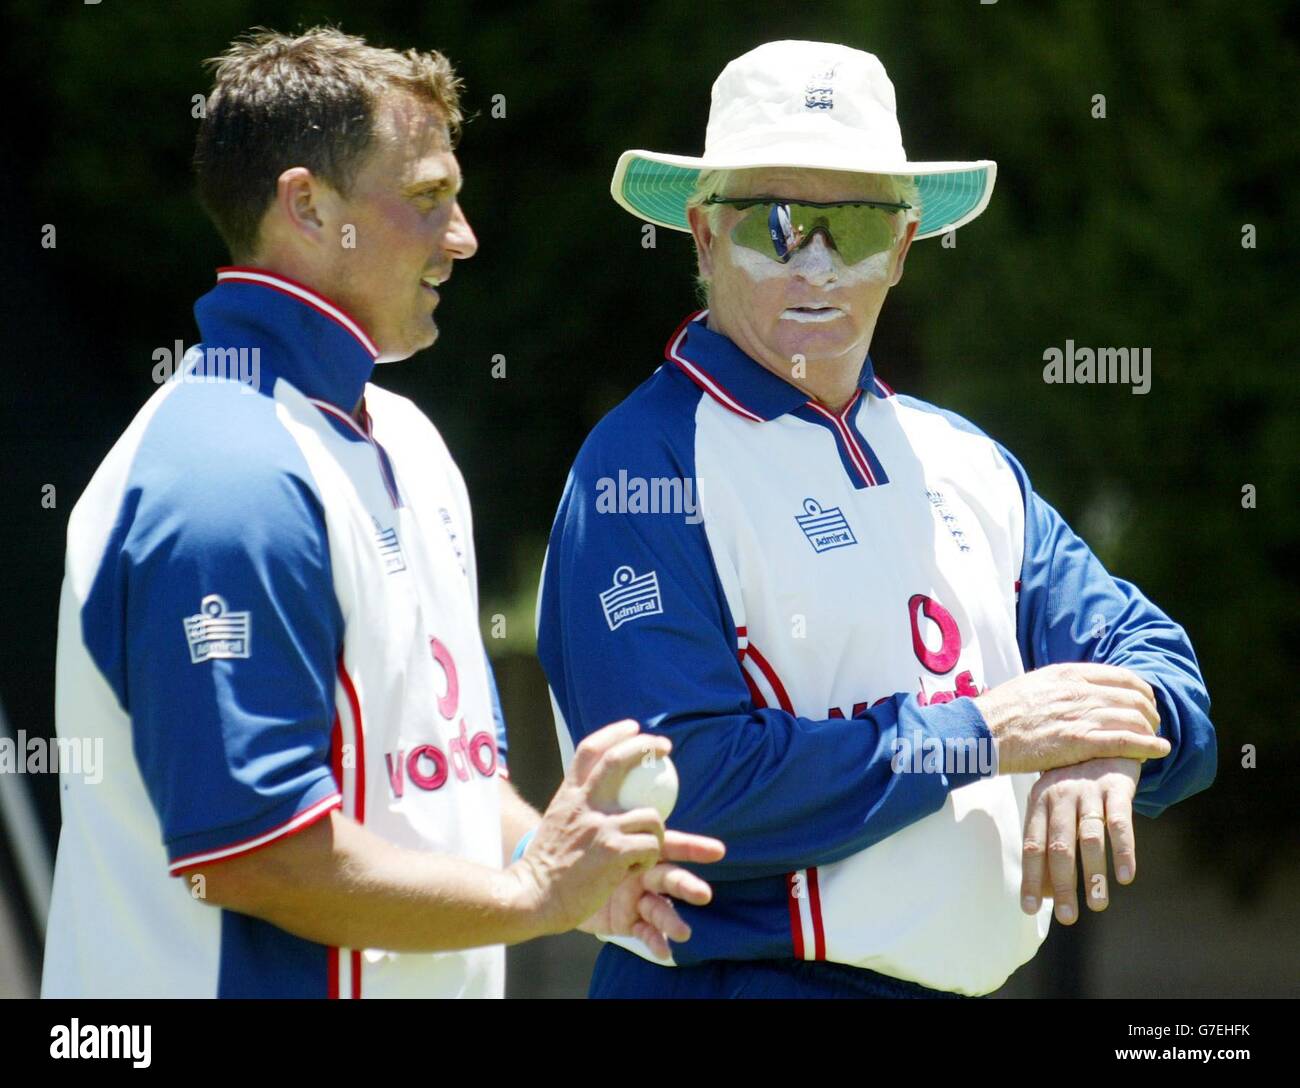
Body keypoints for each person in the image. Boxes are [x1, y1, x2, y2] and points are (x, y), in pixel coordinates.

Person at [42, 26, 722, 999]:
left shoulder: (406, 439)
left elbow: (448, 781)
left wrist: (565, 866)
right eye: (428, 198)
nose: (463, 236)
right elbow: (255, 853)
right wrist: (534, 891)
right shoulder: (222, 480)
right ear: (307, 207)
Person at [536, 40, 1216, 999]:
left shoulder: (964, 456)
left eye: (852, 225)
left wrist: (1104, 743)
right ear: (700, 236)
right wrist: (984, 734)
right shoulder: (642, 463)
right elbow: (681, 785)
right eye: (774, 223)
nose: (814, 261)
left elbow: (1155, 660)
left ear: (902, 247)